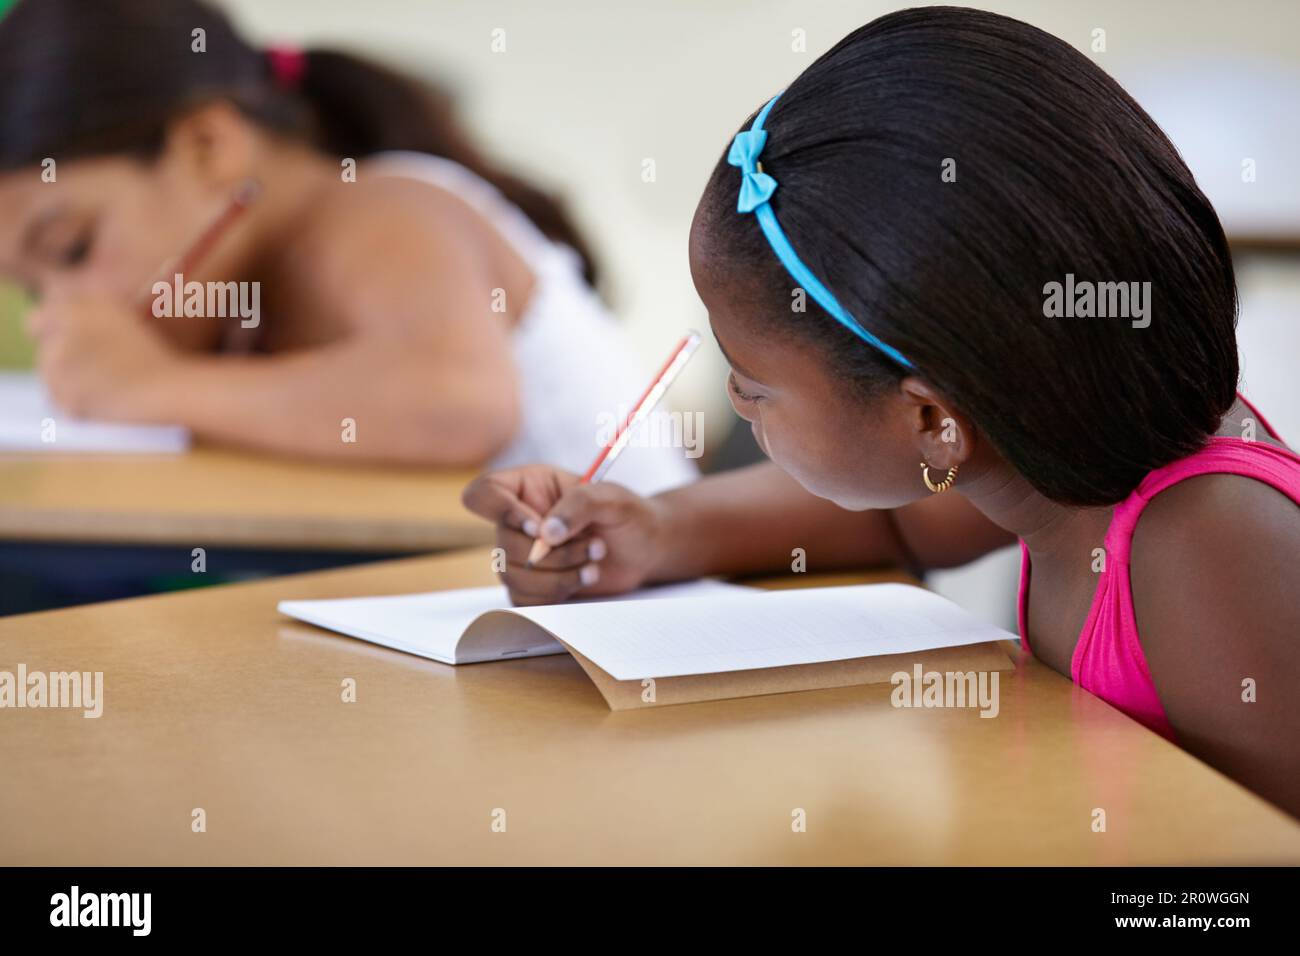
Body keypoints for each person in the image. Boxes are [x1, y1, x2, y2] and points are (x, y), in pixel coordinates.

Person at [463, 7, 1300, 817]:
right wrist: (650, 530)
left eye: (752, 383)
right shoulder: (1055, 448)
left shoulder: (1206, 546)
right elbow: (903, 527)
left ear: (932, 422)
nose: (732, 399)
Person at [0, 0, 696, 493]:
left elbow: (461, 404)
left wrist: (147, 385)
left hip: (647, 642)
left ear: (208, 145)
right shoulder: (244, 308)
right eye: (32, 290)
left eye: (71, 249)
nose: (60, 308)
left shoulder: (381, 209)